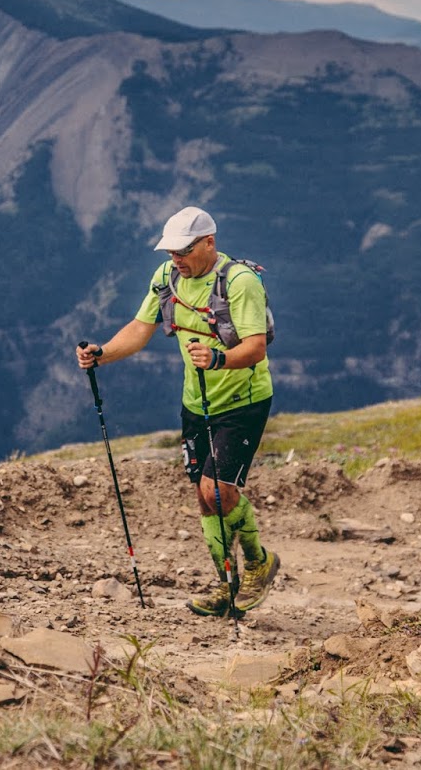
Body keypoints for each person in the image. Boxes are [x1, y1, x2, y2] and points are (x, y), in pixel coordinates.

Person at [76, 206, 278, 617]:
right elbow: (140, 328)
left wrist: (218, 360)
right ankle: (226, 586)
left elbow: (256, 346)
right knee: (205, 500)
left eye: (183, 251)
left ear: (210, 243)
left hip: (244, 400)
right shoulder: (166, 278)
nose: (176, 260)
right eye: (170, 252)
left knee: (217, 491)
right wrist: (102, 355)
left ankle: (258, 561)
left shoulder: (240, 282)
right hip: (196, 400)